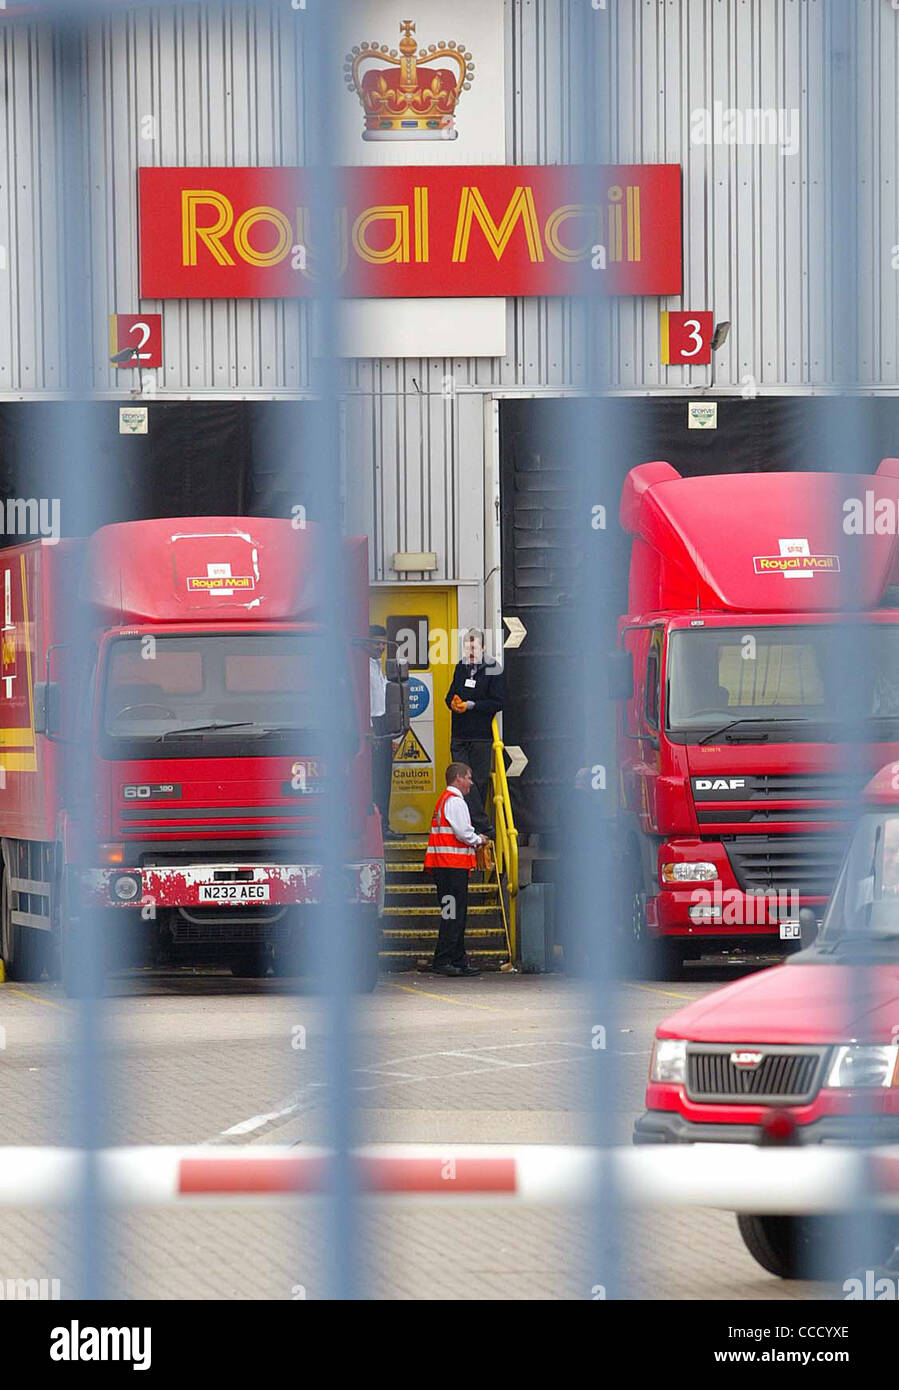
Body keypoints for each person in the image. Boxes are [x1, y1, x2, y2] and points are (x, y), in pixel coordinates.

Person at [424, 762, 486, 977]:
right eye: (468, 777)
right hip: (451, 868)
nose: (471, 782)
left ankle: (458, 959)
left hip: (446, 868)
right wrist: (478, 839)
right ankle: (444, 959)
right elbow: (462, 832)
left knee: (453, 914)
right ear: (458, 778)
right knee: (453, 915)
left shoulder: (445, 800)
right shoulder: (456, 802)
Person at [445, 628, 504, 835]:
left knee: (477, 781)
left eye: (474, 647)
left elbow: (497, 702)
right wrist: (453, 702)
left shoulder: (493, 668)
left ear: (484, 647)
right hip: (460, 734)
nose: (470, 651)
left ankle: (475, 823)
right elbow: (450, 694)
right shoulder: (460, 667)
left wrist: (471, 705)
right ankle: (480, 825)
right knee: (459, 779)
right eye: (467, 647)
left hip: (480, 735)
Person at [367, 623, 399, 840]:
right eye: (376, 643)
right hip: (371, 726)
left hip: (383, 725)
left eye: (383, 643)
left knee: (384, 778)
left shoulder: (378, 666)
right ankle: (376, 826)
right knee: (374, 778)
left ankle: (383, 825)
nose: (380, 647)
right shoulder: (363, 666)